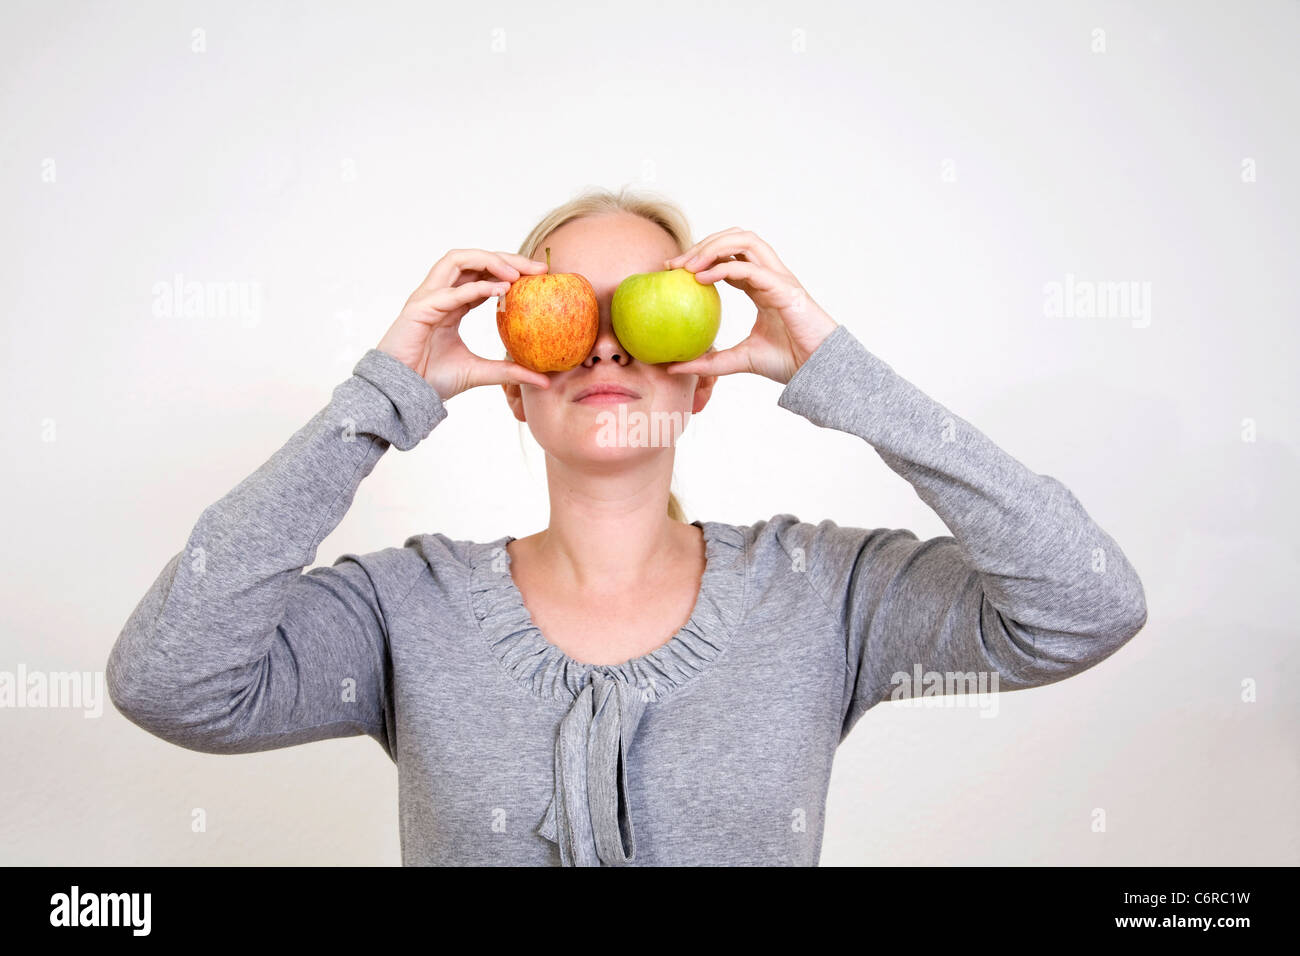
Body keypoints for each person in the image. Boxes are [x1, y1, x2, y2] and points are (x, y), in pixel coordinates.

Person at [106, 186, 1148, 866]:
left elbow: (1085, 603)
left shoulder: (824, 593)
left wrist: (839, 369)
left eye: (645, 307)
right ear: (514, 387)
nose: (604, 347)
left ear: (699, 381)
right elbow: (168, 678)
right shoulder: (401, 611)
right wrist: (379, 400)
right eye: (568, 309)